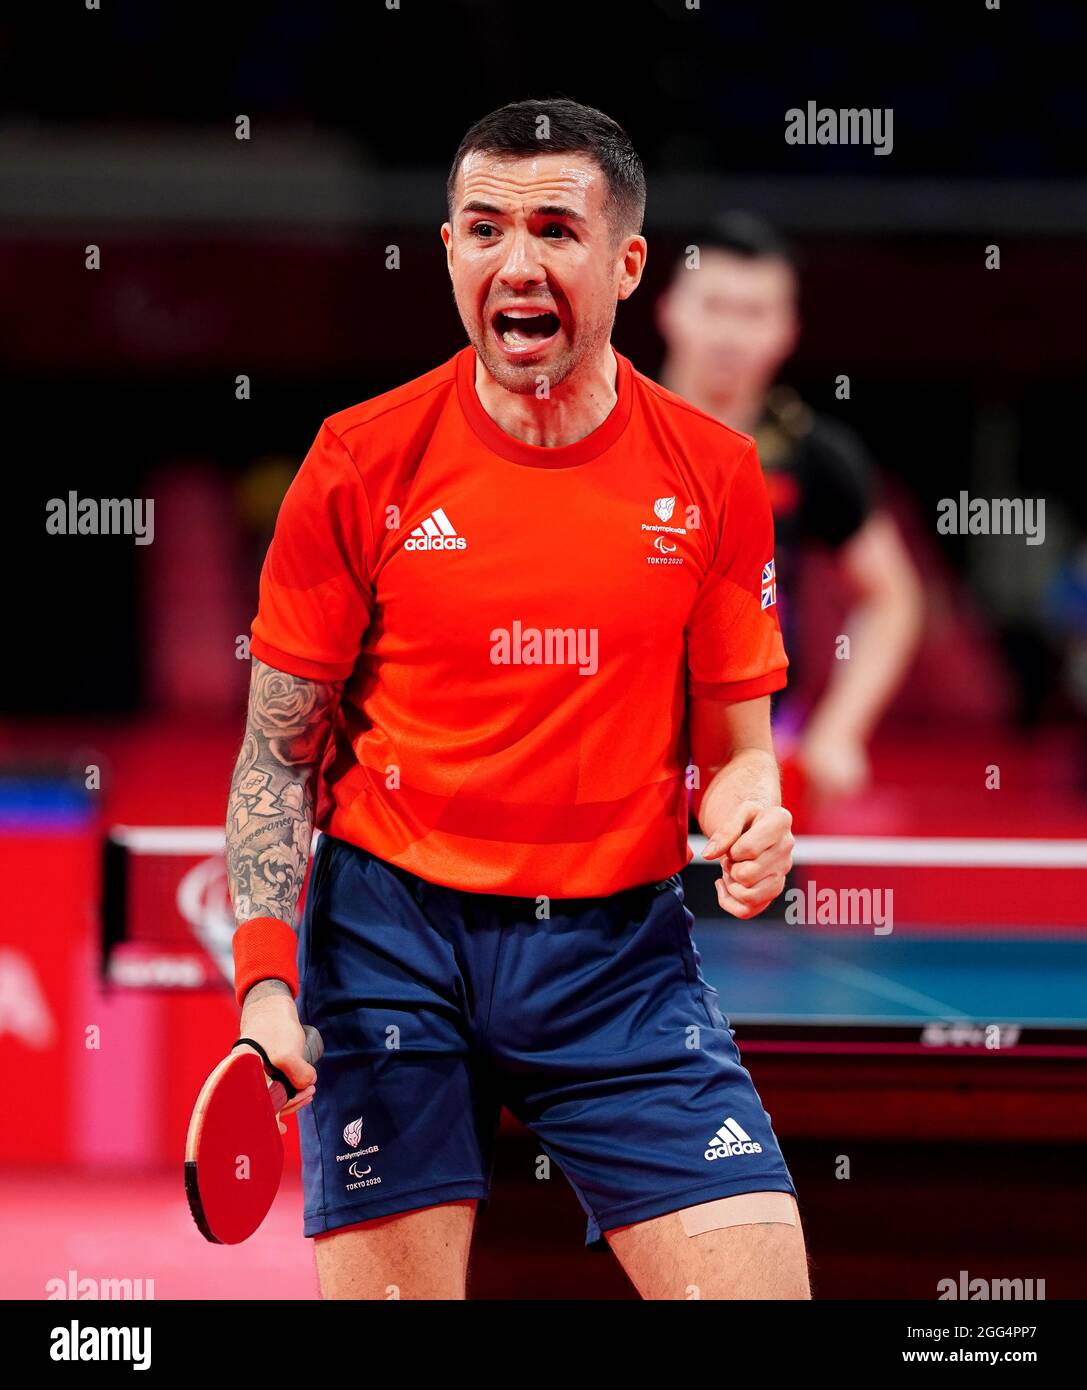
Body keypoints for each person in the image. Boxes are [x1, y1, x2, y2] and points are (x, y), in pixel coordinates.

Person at [225, 101, 809, 1300]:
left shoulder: (714, 472)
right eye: (485, 229)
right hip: (393, 939)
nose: (518, 262)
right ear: (448, 253)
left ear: (625, 262)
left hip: (619, 956)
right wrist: (267, 986)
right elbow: (277, 757)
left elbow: (738, 748)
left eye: (556, 227)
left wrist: (754, 810)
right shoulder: (356, 461)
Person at [657, 213, 922, 814]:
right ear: (670, 307)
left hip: (754, 781)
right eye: (714, 305)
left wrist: (840, 730)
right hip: (618, 776)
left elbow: (894, 599)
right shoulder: (602, 433)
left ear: (787, 330)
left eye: (753, 313)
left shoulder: (816, 456)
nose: (729, 332)